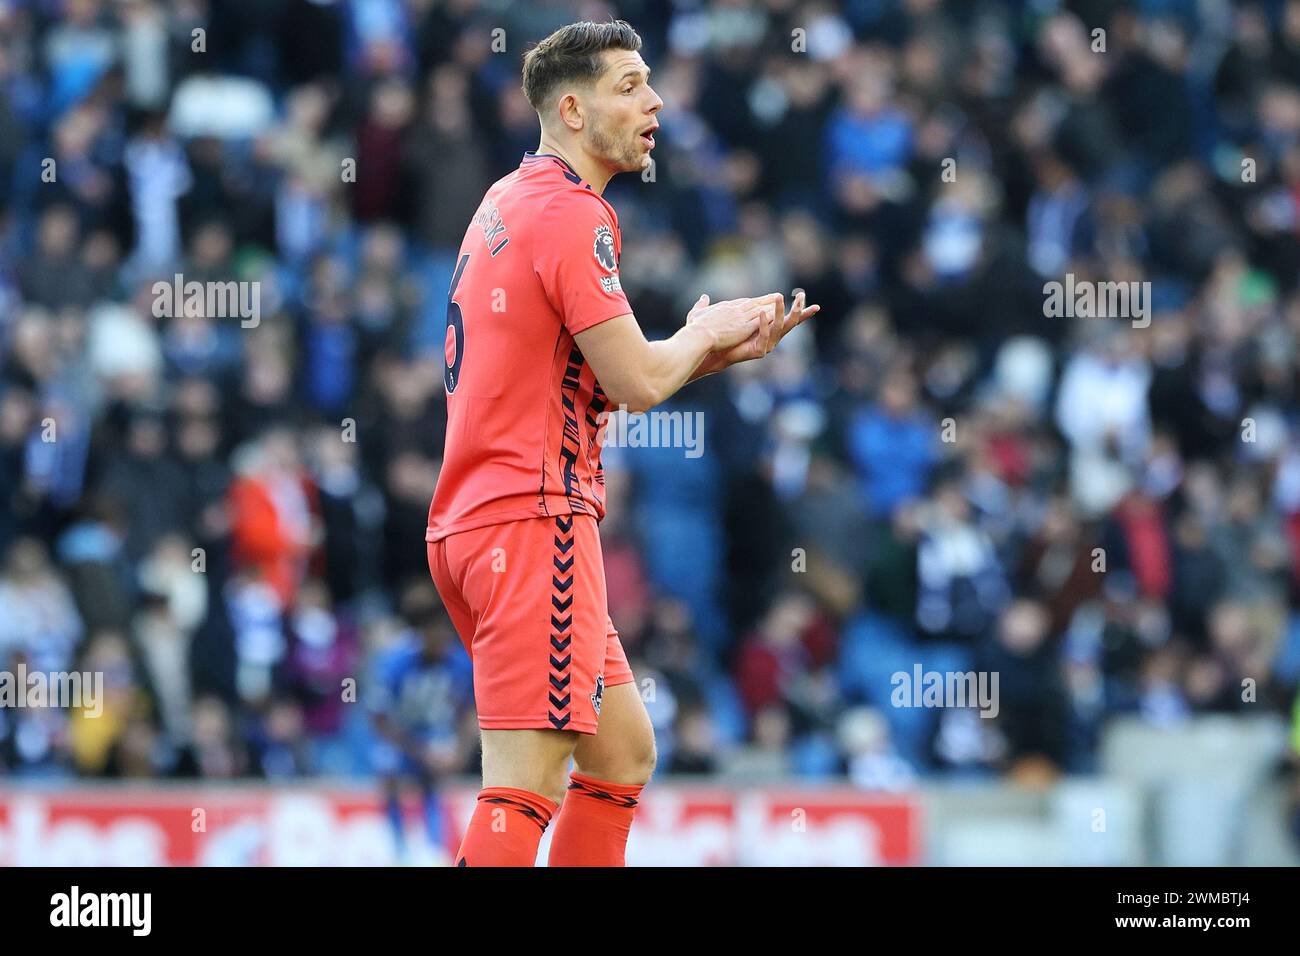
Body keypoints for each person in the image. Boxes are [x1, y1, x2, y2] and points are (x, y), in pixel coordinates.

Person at [424, 18, 818, 866]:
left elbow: (595, 379)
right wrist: (704, 329)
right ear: (572, 108)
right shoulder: (574, 215)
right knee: (524, 784)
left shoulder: (508, 199)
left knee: (622, 752)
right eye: (630, 85)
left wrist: (707, 356)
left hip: (476, 522)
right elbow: (637, 382)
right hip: (535, 521)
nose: (657, 101)